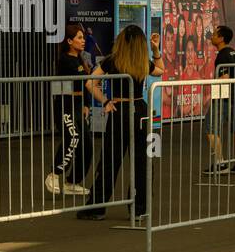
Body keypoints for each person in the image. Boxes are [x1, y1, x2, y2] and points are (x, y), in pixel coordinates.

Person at [78, 25, 163, 222]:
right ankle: (140, 208)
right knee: (145, 161)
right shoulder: (144, 61)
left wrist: (105, 101)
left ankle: (97, 207)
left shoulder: (112, 60)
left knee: (109, 160)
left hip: (119, 111)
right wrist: (156, 50)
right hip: (143, 111)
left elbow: (90, 83)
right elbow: (161, 71)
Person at [45, 24, 108, 197]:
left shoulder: (81, 59)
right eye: (79, 38)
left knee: (87, 144)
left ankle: (73, 182)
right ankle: (54, 174)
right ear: (69, 41)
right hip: (66, 106)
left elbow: (85, 84)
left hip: (79, 105)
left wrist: (86, 104)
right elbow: (86, 81)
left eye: (83, 38)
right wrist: (100, 71)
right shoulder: (65, 59)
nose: (83, 41)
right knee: (73, 137)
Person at [203, 26, 235, 175]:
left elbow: (225, 78)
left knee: (210, 128)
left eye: (214, 34)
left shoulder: (222, 55)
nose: (212, 36)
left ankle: (221, 164)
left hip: (222, 97)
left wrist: (211, 83)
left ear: (221, 38)